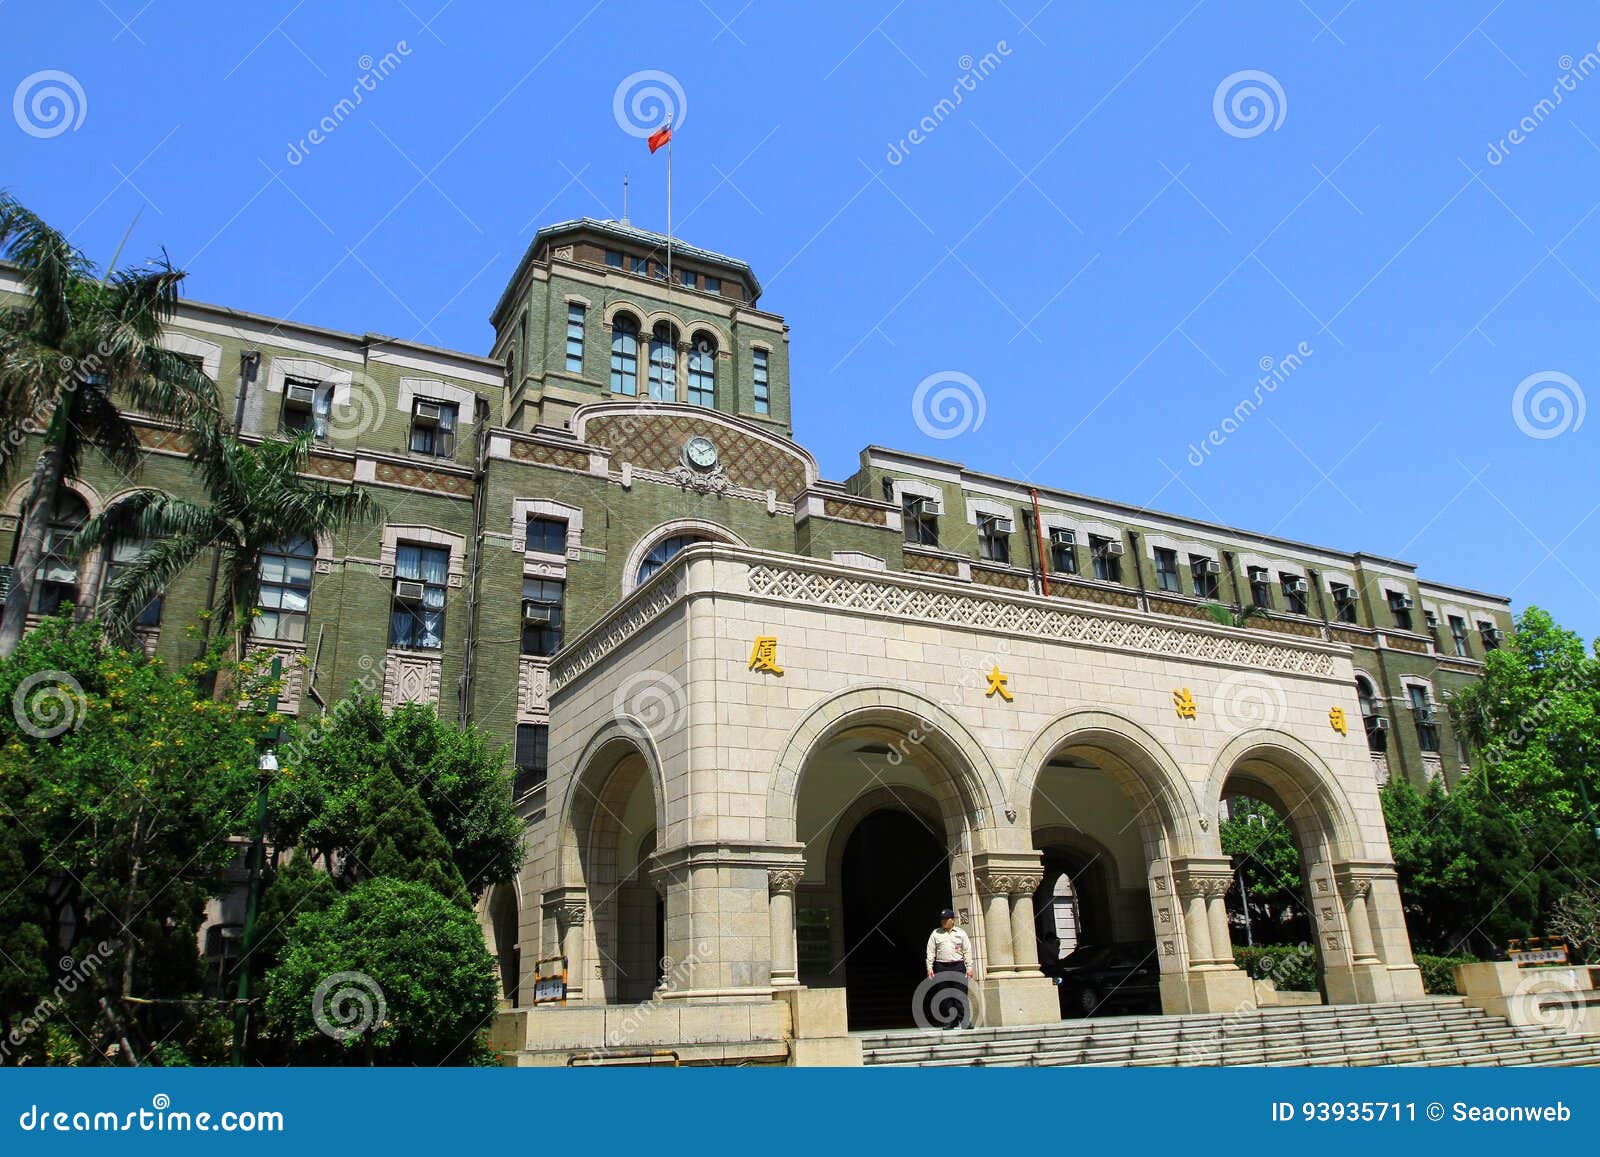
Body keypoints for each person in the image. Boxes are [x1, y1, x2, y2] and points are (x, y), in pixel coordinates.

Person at [924, 908, 974, 1030]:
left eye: (946, 919)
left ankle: (965, 1021)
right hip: (941, 966)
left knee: (960, 994)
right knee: (945, 995)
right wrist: (929, 967)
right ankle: (950, 1021)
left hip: (958, 965)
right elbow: (930, 951)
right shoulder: (936, 933)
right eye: (942, 919)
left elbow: (967, 951)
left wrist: (969, 967)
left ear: (953, 920)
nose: (943, 921)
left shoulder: (961, 933)